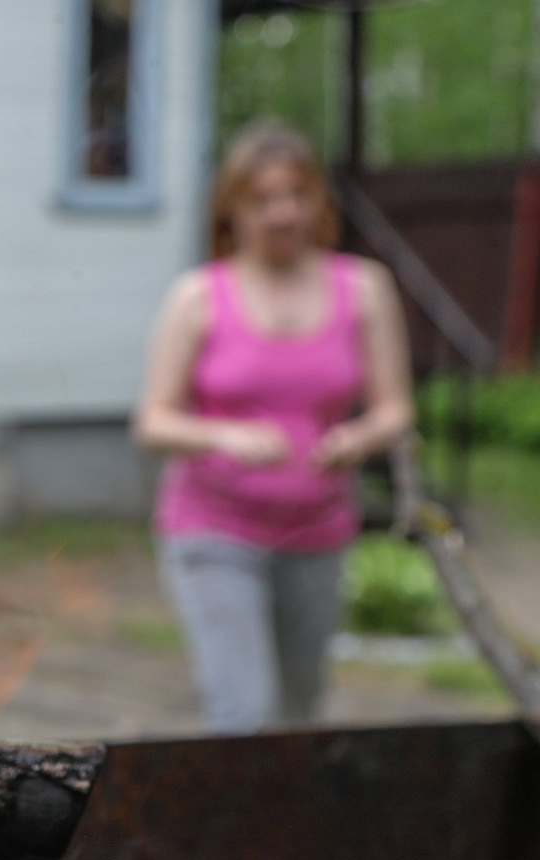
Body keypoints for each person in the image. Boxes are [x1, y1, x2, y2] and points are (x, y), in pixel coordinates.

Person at [133, 122, 414, 733]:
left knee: (300, 709)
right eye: (263, 199)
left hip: (318, 532)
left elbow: (395, 409)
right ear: (232, 209)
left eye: (297, 194)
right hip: (213, 531)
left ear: (318, 201)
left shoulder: (363, 288)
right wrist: (222, 436)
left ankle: (285, 827)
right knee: (244, 714)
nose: (283, 212)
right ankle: (234, 828)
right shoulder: (198, 297)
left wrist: (357, 439)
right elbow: (152, 421)